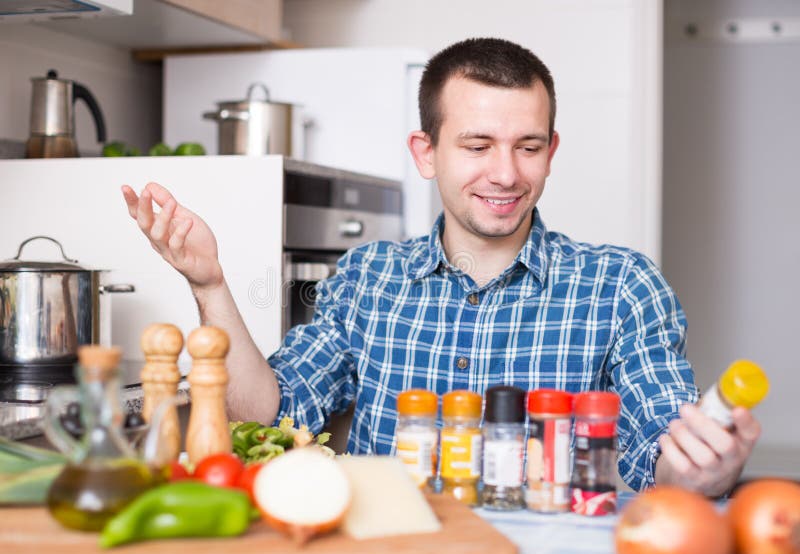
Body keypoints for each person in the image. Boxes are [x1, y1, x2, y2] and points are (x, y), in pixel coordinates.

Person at [122, 37, 759, 496]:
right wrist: (209, 282)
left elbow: (663, 459)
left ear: (551, 150)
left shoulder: (622, 286)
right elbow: (271, 417)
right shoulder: (367, 277)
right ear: (426, 153)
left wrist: (707, 466)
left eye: (528, 147)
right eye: (477, 146)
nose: (506, 173)